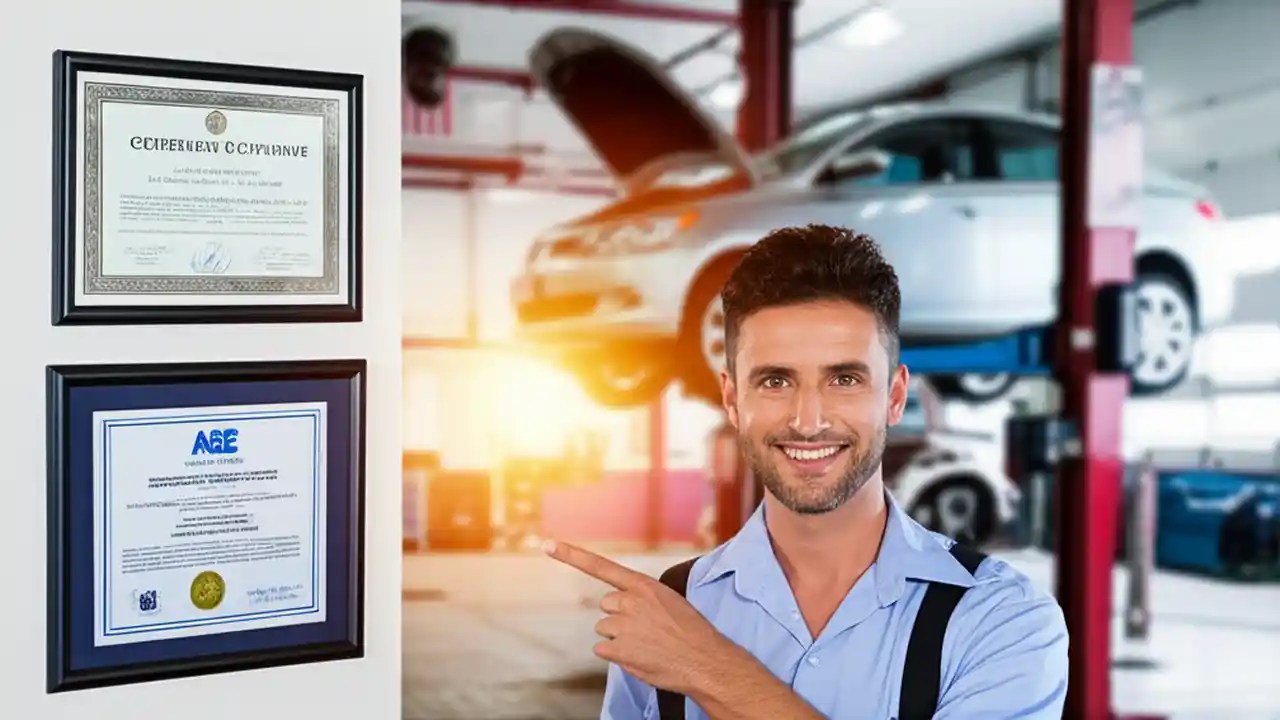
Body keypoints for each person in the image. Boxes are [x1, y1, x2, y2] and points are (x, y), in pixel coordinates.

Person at [543, 225, 1069, 719]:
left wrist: (707, 668)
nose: (808, 420)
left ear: (894, 395)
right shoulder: (670, 612)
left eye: (843, 379)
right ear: (732, 398)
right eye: (775, 381)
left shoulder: (999, 619)